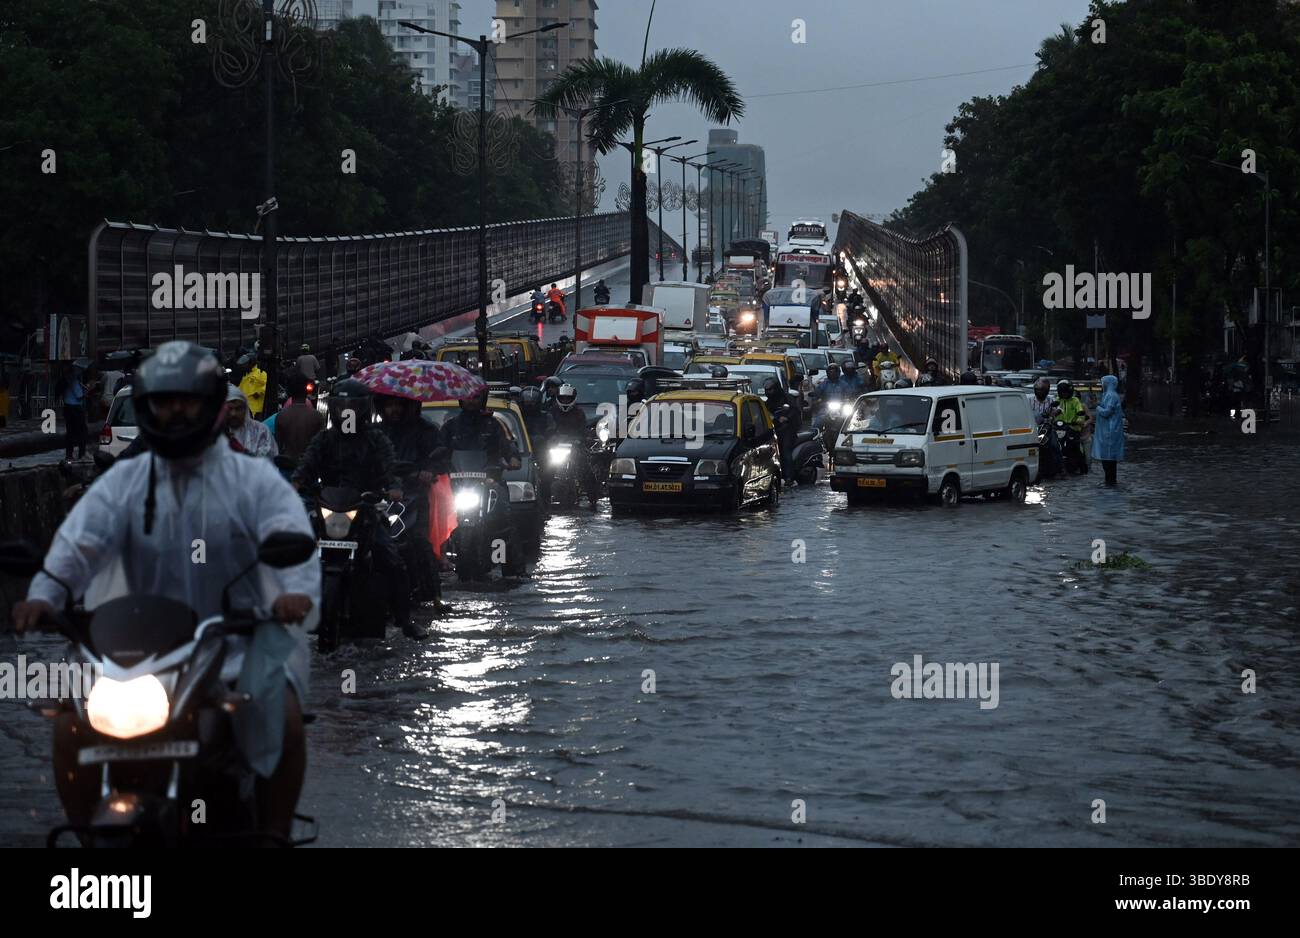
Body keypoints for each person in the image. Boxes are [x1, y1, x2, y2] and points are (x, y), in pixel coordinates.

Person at [11, 341, 318, 841]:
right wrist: (44, 595)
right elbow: (75, 549)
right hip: (140, 657)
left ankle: (275, 834)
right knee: (70, 726)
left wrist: (292, 597)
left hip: (236, 645)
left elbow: (296, 547)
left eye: (187, 400)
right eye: (164, 400)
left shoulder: (253, 481)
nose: (175, 410)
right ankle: (90, 837)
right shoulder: (125, 482)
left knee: (282, 715)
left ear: (209, 404)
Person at [292, 379, 424, 640]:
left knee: (393, 560)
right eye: (342, 406)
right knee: (292, 552)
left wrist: (393, 487)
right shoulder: (324, 439)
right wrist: (295, 483)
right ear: (334, 409)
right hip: (328, 511)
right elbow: (306, 466)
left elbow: (389, 467)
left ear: (363, 409)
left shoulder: (376, 439)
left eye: (353, 407)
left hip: (365, 511)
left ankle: (405, 619)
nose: (347, 412)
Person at [376, 392, 446, 609]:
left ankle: (435, 596)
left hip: (414, 495)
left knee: (421, 542)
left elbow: (440, 459)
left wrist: (428, 471)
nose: (394, 409)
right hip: (381, 496)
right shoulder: (376, 433)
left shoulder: (427, 430)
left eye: (399, 404)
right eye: (389, 405)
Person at [275, 373, 325, 461]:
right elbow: (321, 447)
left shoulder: (281, 416)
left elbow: (277, 447)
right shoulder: (317, 416)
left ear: (288, 391)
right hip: (308, 465)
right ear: (307, 390)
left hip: (287, 464)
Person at [225, 384, 278, 457]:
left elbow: (270, 457)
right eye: (230, 409)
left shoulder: (261, 431)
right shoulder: (215, 433)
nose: (233, 413)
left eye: (238, 408)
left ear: (245, 409)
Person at [1091, 374, 1125, 486]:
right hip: (1107, 431)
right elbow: (1106, 407)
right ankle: (1109, 481)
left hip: (1110, 432)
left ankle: (1110, 481)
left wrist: (1097, 407)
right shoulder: (1108, 395)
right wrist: (1098, 404)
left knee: (1108, 458)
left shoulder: (1111, 395)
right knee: (1107, 458)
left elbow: (1107, 412)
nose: (1102, 385)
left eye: (1103, 383)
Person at [764, 378, 798, 484]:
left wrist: (787, 418)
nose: (769, 392)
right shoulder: (767, 403)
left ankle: (789, 477)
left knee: (786, 452)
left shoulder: (787, 398)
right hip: (775, 430)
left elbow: (795, 410)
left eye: (771, 389)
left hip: (788, 429)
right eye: (767, 390)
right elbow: (765, 415)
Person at [57, 362, 92, 462]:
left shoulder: (67, 379)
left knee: (70, 432)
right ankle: (81, 454)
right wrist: (88, 390)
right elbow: (79, 395)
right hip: (75, 408)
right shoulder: (73, 380)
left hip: (68, 408)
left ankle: (69, 454)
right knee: (82, 431)